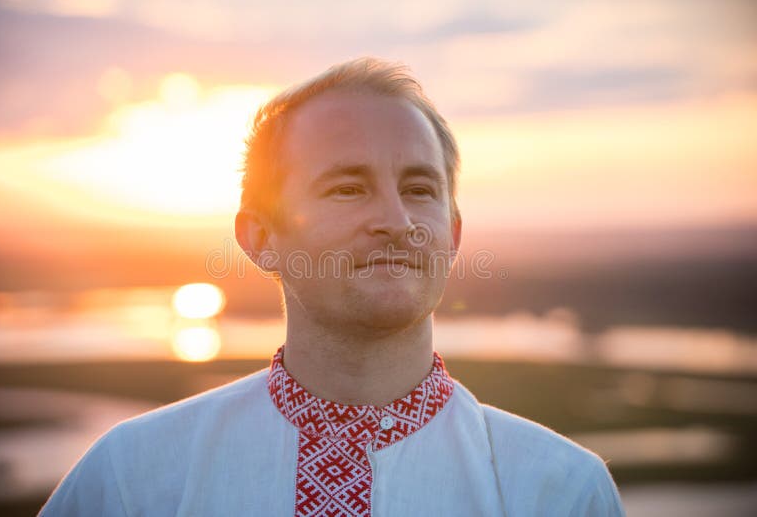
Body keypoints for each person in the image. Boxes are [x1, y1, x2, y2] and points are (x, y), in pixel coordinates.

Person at [40, 57, 625, 516]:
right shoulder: (133, 478)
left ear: (451, 234)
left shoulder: (559, 491)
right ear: (260, 237)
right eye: (348, 188)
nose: (396, 220)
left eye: (420, 189)